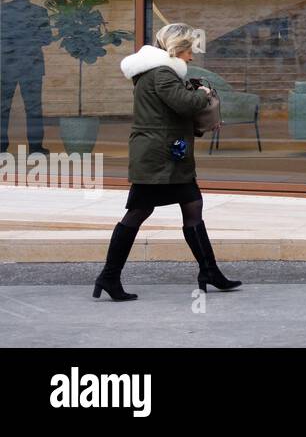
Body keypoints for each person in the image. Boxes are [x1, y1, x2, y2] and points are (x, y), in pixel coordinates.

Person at [93, 23, 241, 302]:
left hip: (167, 156)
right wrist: (203, 94)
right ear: (176, 49)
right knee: (138, 213)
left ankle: (209, 271)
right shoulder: (162, 73)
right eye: (188, 51)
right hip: (158, 158)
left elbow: (170, 112)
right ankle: (109, 276)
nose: (191, 57)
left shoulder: (158, 72)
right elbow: (184, 104)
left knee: (192, 205)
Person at [0, 0, 54, 155]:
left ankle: (1, 147)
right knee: (34, 108)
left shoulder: (2, 11)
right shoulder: (39, 12)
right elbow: (46, 39)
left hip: (6, 65)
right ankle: (36, 148)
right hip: (31, 65)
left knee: (2, 107)